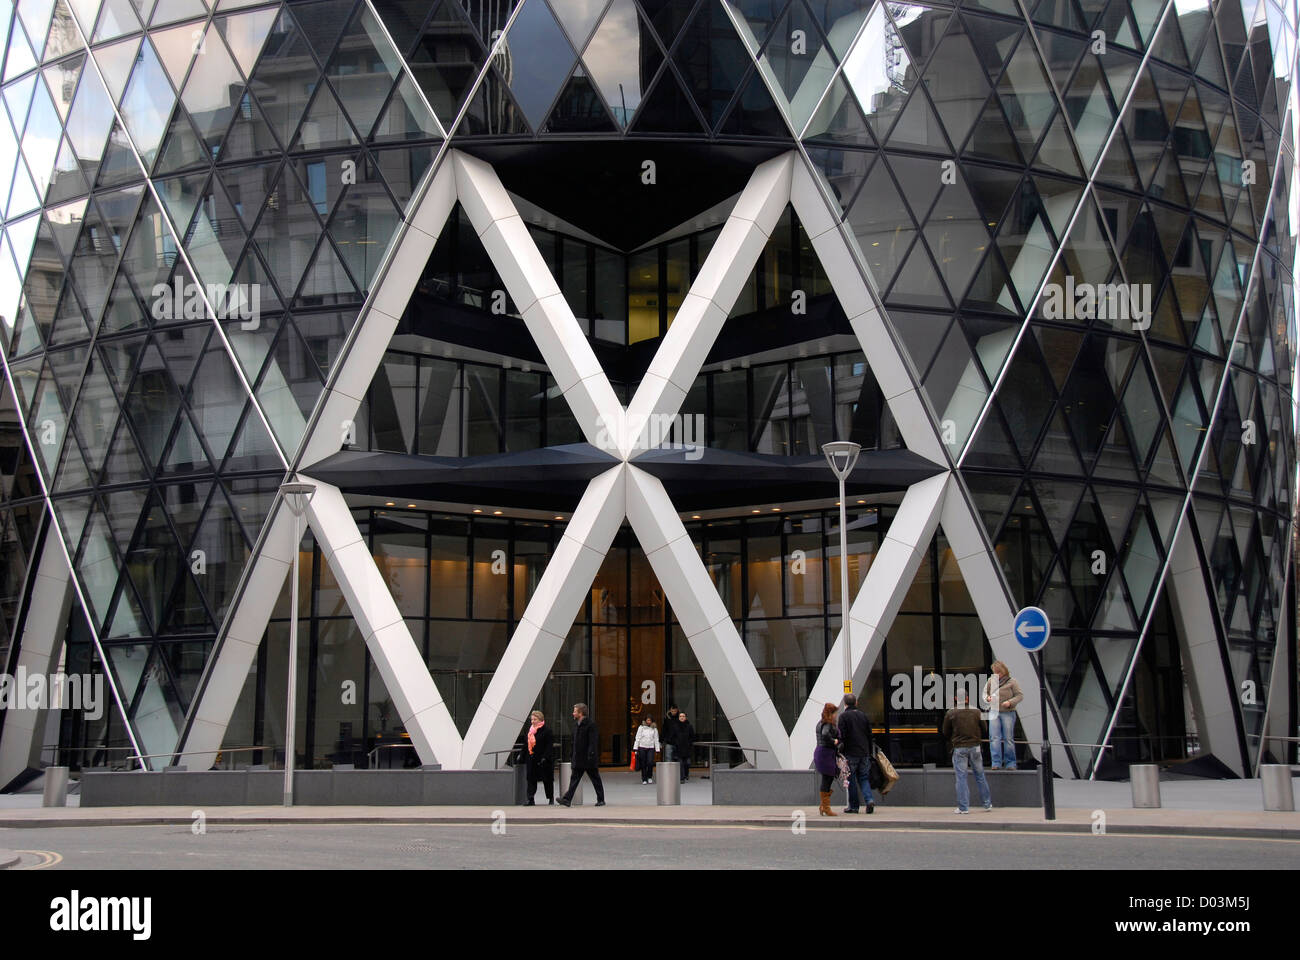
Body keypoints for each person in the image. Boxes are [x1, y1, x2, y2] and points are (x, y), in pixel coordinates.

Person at [942, 689, 992, 813]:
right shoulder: (976, 711)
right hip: (975, 746)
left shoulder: (951, 713)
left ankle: (963, 808)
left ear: (955, 699)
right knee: (980, 775)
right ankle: (987, 804)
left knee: (961, 777)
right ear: (967, 698)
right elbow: (984, 728)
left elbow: (945, 732)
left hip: (959, 747)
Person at [558, 703, 605, 807]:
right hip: (578, 758)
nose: (573, 713)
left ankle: (601, 799)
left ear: (580, 713)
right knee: (574, 779)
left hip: (588, 759)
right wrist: (572, 754)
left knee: (595, 779)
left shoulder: (590, 725)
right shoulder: (576, 725)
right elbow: (573, 742)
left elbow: (593, 742)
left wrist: (591, 754)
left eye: (575, 711)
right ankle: (567, 799)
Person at [837, 693, 875, 814]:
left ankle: (854, 806)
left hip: (850, 753)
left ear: (845, 704)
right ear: (856, 703)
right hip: (864, 752)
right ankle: (869, 800)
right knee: (864, 778)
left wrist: (840, 751)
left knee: (851, 779)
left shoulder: (843, 717)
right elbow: (870, 735)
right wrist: (869, 751)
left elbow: (841, 736)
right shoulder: (863, 716)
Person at [982, 660, 1023, 769]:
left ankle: (1010, 763)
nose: (997, 675)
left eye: (999, 672)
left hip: (1008, 712)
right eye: (995, 672)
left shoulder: (1012, 682)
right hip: (994, 711)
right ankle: (996, 762)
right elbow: (984, 693)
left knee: (1008, 738)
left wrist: (1010, 702)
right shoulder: (991, 681)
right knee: (994, 738)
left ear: (1004, 671)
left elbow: (1019, 696)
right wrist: (987, 698)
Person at [813, 702, 841, 817]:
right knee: (827, 779)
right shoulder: (827, 724)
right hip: (826, 753)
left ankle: (824, 806)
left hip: (822, 752)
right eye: (835, 713)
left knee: (828, 778)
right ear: (831, 713)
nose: (836, 715)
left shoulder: (820, 722)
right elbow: (825, 734)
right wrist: (834, 741)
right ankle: (826, 808)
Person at [523, 710, 554, 805]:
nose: (532, 721)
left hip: (543, 760)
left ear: (540, 719)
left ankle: (550, 798)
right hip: (532, 759)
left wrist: (545, 757)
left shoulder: (547, 731)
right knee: (531, 780)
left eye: (535, 719)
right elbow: (526, 744)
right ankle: (530, 799)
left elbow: (549, 746)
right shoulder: (530, 731)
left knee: (547, 780)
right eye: (531, 719)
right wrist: (521, 755)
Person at [633, 715, 660, 784]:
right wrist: (635, 748)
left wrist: (657, 749)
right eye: (647, 720)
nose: (649, 722)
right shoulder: (641, 728)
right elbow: (638, 738)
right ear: (645, 721)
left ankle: (649, 776)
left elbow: (656, 739)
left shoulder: (654, 729)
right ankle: (644, 778)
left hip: (651, 747)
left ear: (652, 721)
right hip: (642, 747)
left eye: (650, 720)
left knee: (650, 762)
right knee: (643, 763)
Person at [674, 710, 696, 782]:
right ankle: (682, 778)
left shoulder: (689, 726)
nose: (682, 717)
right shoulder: (675, 726)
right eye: (680, 716)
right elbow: (673, 736)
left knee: (687, 763)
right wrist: (676, 742)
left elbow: (693, 736)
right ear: (678, 717)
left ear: (685, 717)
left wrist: (689, 743)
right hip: (679, 748)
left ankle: (686, 774)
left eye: (683, 716)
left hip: (687, 748)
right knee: (681, 763)